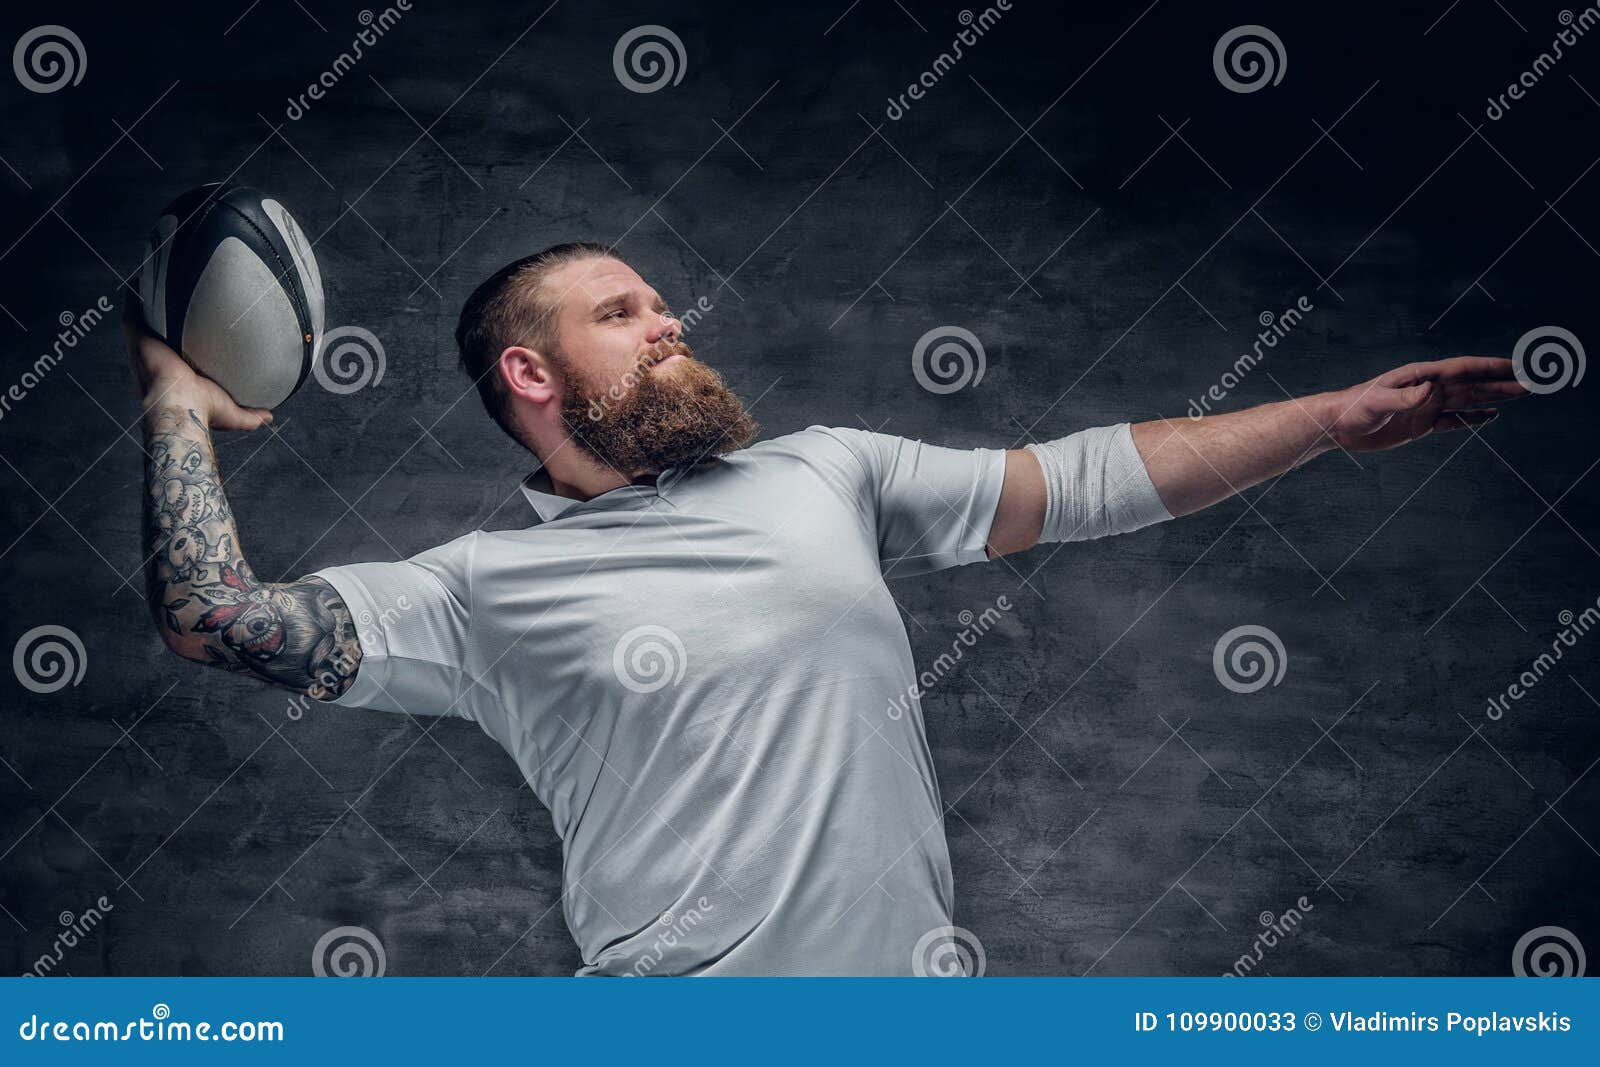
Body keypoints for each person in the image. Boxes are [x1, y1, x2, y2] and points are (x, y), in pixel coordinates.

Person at [127, 241, 1527, 975]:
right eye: (622, 312)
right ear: (532, 377)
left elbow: (1092, 479)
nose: (671, 321)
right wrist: (178, 411)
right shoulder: (476, 590)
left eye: (666, 303)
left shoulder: (823, 473)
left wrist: (1330, 418)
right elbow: (217, 615)